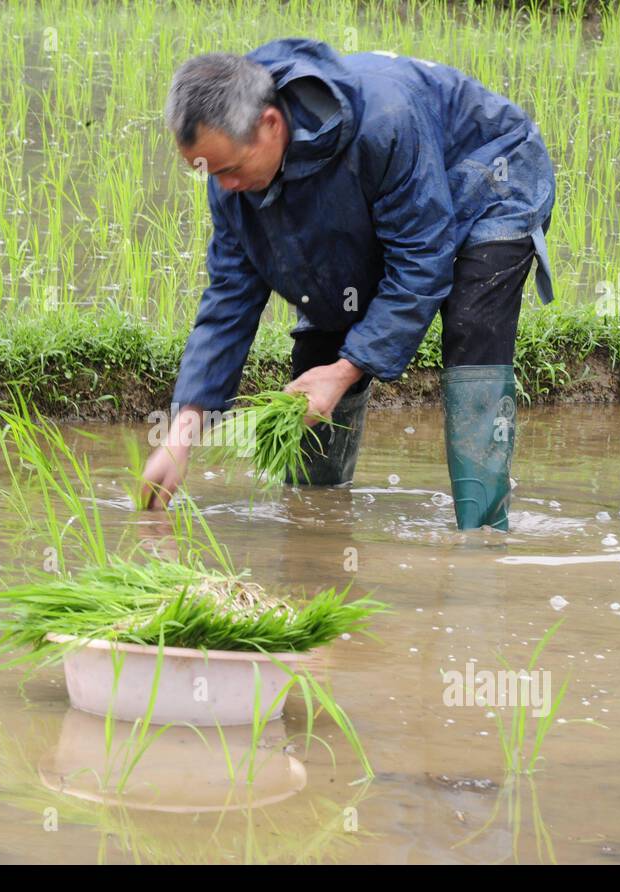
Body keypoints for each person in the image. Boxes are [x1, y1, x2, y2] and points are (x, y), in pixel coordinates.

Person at [140, 38, 556, 531]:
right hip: (396, 193)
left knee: (472, 330)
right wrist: (182, 430)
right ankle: (317, 522)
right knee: (328, 325)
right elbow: (230, 296)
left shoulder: (382, 123)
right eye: (205, 171)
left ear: (270, 125)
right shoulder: (231, 174)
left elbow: (421, 259)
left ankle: (482, 532)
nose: (221, 184)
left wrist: (346, 372)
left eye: (227, 168)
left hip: (489, 175)